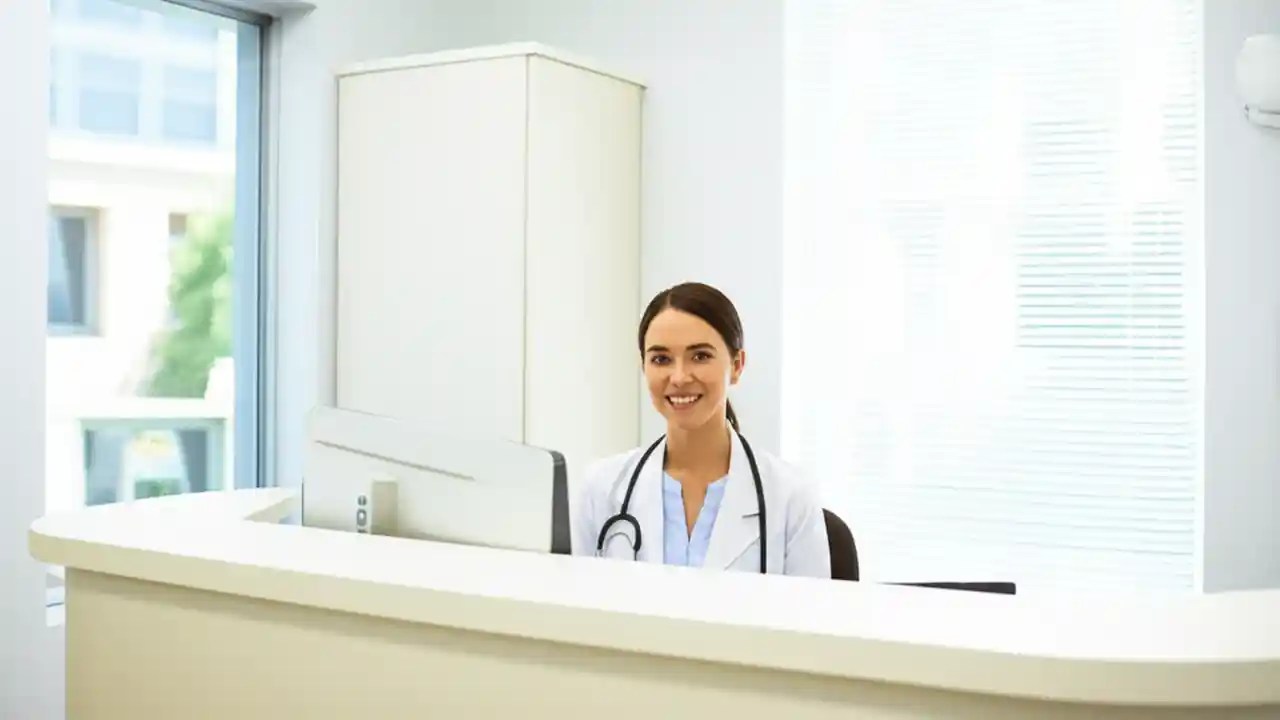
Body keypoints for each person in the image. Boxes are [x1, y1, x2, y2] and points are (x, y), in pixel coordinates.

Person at [573, 281, 831, 578]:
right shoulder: (601, 489)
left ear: (737, 365)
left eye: (700, 356)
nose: (679, 377)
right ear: (644, 367)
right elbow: (572, 604)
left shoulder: (791, 498)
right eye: (661, 359)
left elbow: (811, 608)